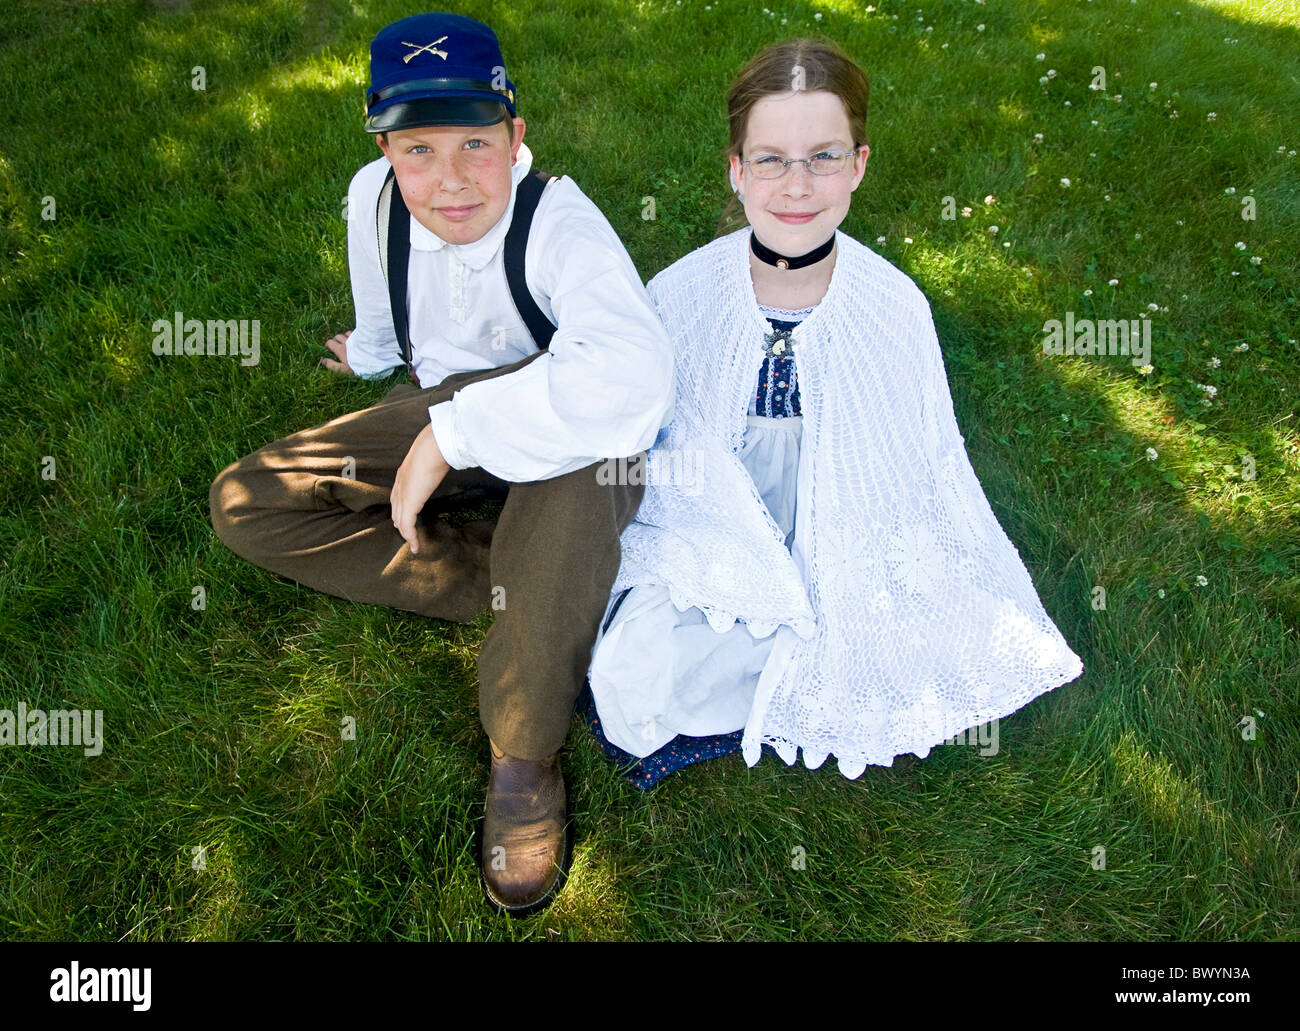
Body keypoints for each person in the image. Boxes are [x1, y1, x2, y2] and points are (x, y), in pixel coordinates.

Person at [208, 11, 673, 914]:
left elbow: (631, 377)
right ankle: (539, 586)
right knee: (246, 501)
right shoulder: (373, 197)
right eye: (416, 149)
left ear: (516, 138)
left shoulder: (559, 222)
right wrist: (375, 358)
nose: (448, 179)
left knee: (597, 448)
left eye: (475, 144)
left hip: (564, 435)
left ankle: (524, 745)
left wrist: (453, 434)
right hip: (439, 419)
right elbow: (389, 313)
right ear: (384, 147)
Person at [587, 38, 1083, 781]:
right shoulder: (683, 294)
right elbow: (667, 451)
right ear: (737, 169)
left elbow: (918, 465)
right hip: (718, 514)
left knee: (876, 638)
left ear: (858, 164)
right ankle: (759, 651)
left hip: (848, 514)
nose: (796, 185)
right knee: (629, 679)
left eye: (823, 157)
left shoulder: (894, 308)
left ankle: (795, 650)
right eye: (771, 159)